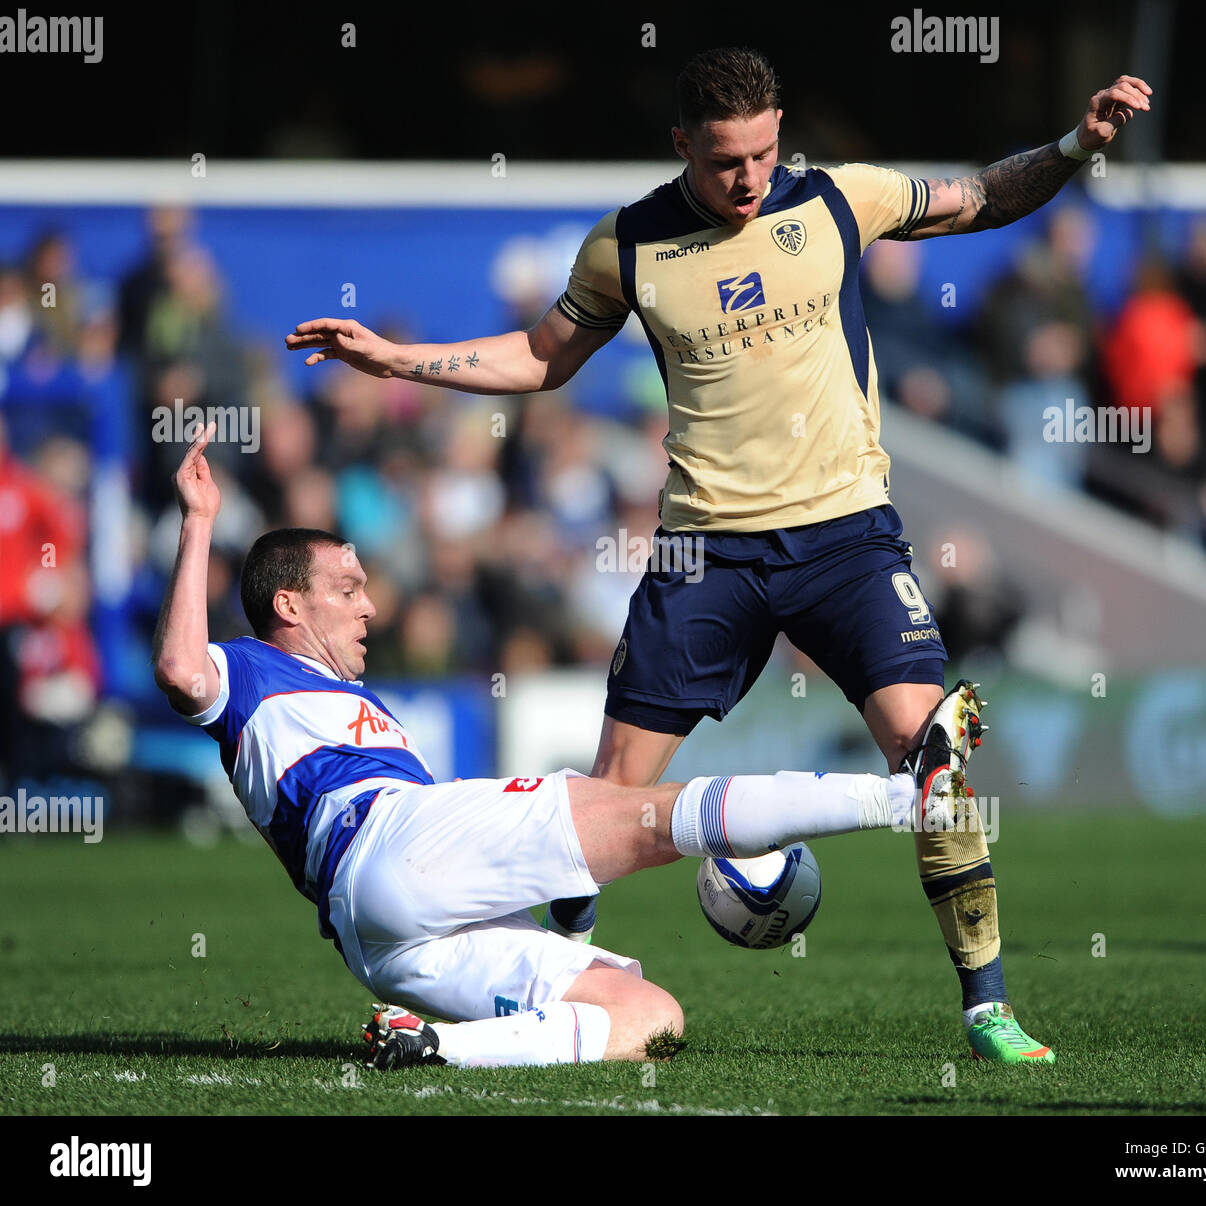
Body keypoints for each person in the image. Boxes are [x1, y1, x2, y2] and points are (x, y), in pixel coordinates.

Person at [285, 47, 1151, 1064]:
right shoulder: (630, 245)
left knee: (933, 761)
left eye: (762, 152)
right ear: (682, 144)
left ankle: (986, 1009)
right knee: (607, 797)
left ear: (780, 130)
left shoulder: (839, 201)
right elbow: (539, 358)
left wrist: (1072, 146)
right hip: (707, 554)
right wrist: (394, 360)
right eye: (724, 160)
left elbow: (982, 198)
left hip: (847, 537)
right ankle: (548, 990)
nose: (746, 178)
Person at [155, 424, 985, 1069]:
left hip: (382, 943)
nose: (370, 606)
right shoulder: (251, 667)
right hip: (383, 841)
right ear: (290, 607)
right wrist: (200, 524)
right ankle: (910, 795)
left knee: (651, 1019)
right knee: (647, 819)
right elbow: (182, 670)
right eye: (347, 590)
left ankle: (429, 1048)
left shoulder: (350, 700)